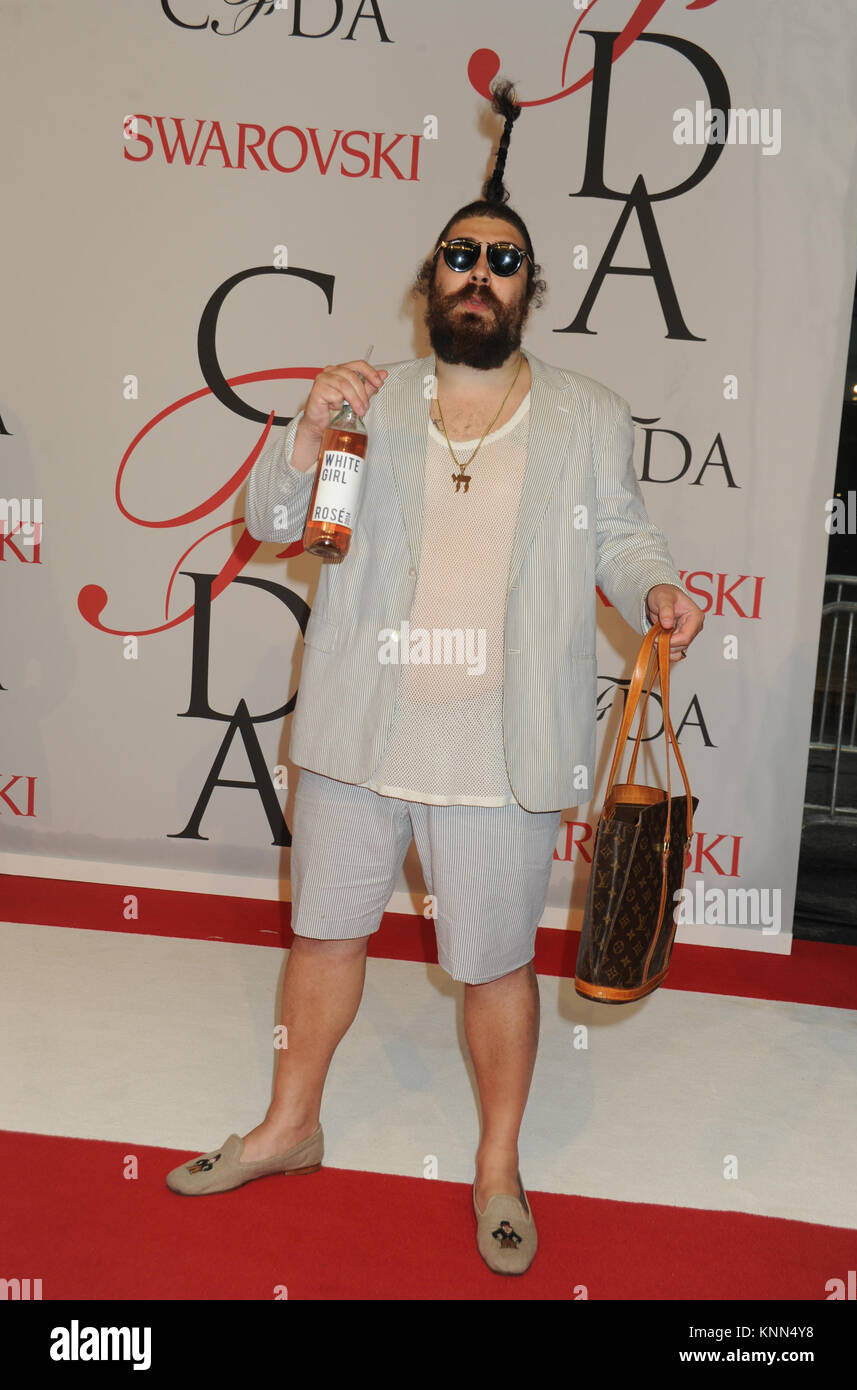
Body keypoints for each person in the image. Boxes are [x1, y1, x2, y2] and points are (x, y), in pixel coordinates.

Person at [166, 82, 705, 1276]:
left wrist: (658, 586)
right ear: (429, 287)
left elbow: (623, 536)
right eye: (459, 256)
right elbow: (274, 520)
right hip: (362, 734)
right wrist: (304, 428)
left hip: (500, 748)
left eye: (502, 260)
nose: (479, 274)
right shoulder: (372, 403)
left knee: (495, 969)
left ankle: (499, 1165)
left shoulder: (586, 416)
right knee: (323, 941)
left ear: (529, 291)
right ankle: (289, 1124)